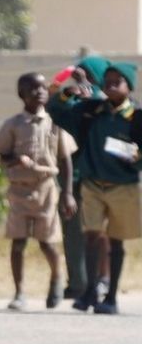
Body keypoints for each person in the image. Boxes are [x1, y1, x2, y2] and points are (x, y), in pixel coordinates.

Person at [48, 62, 142, 314]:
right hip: (93, 185)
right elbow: (55, 109)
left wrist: (134, 154)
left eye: (117, 81)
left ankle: (110, 297)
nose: (110, 85)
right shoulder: (92, 111)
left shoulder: (136, 116)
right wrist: (69, 92)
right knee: (91, 236)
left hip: (123, 186)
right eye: (107, 81)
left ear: (129, 86)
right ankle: (89, 292)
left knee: (116, 241)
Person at [0, 72, 77, 311]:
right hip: (19, 190)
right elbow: (2, 155)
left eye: (42, 87)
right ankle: (19, 292)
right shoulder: (14, 124)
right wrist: (16, 159)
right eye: (33, 88)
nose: (39, 92)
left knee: (47, 242)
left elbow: (65, 161)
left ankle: (56, 279)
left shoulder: (55, 123)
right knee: (18, 242)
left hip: (46, 189)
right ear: (22, 94)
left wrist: (68, 193)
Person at [55, 55, 111, 299]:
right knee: (74, 233)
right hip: (74, 177)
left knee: (100, 233)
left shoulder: (108, 101)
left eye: (85, 72)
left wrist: (89, 88)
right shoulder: (74, 101)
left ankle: (103, 280)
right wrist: (70, 90)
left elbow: (101, 104)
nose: (79, 76)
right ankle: (78, 283)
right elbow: (54, 107)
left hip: (102, 177)